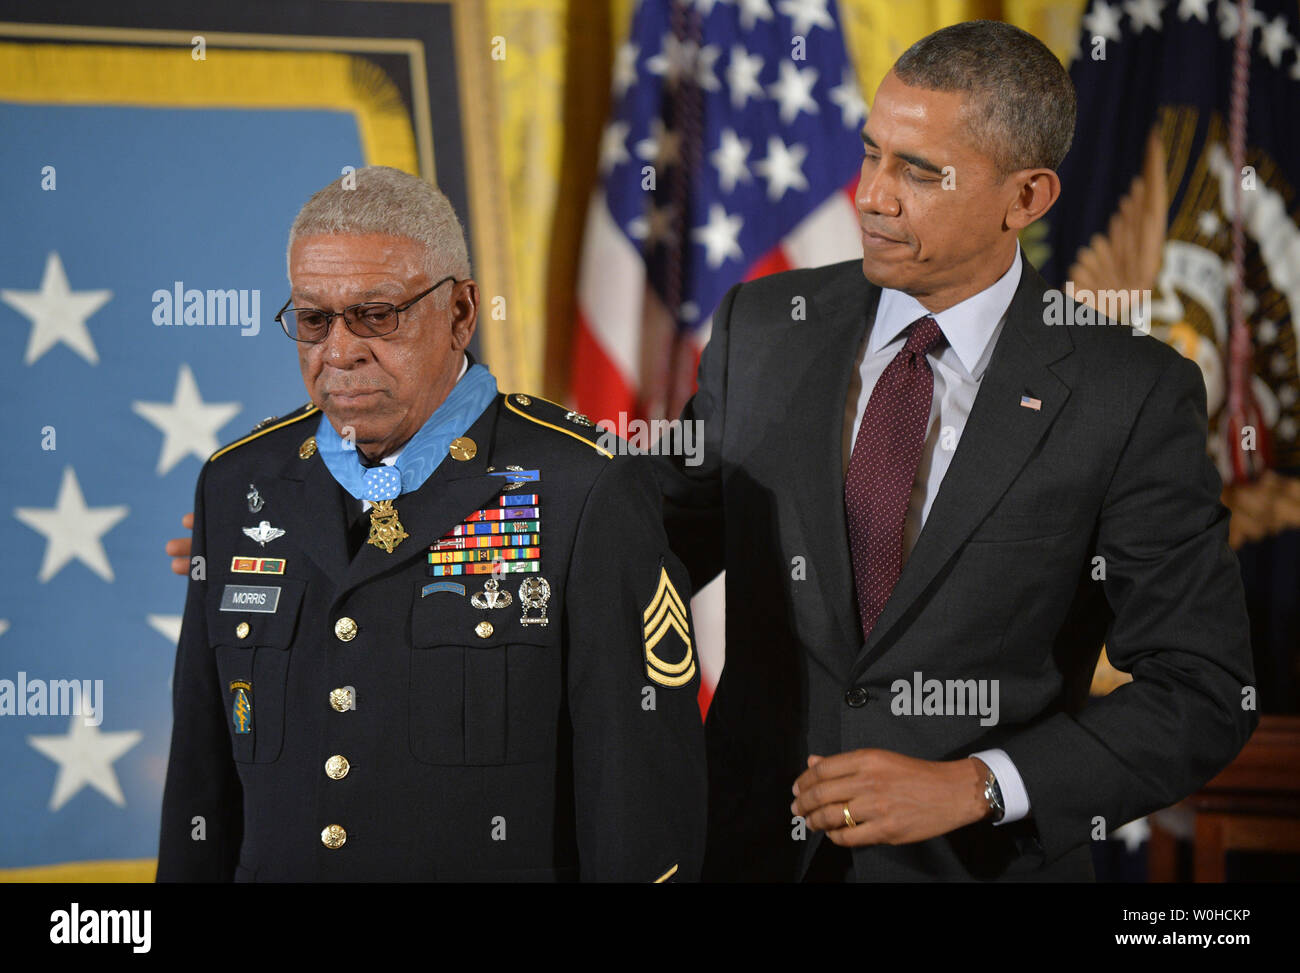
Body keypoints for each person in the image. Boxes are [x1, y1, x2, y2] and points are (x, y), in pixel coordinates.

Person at [655, 21, 1257, 881]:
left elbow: (1203, 689)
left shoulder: (1131, 394)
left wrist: (981, 784)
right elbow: (653, 536)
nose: (871, 196)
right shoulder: (764, 329)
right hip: (751, 854)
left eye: (919, 171)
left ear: (1027, 198)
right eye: (871, 154)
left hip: (979, 865)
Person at [156, 166, 705, 882]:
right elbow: (201, 794)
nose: (341, 350)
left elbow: (638, 815)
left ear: (460, 312)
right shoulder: (240, 485)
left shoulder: (584, 487)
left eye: (376, 314)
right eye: (314, 319)